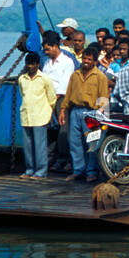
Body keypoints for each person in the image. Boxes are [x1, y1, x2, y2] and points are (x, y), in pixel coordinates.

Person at [58, 43, 111, 182]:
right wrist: (63, 110)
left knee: (92, 144)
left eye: (89, 59)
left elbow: (104, 97)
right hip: (75, 111)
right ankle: (78, 170)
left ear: (94, 61)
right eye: (84, 59)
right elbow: (68, 93)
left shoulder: (100, 76)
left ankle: (92, 172)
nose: (86, 62)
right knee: (75, 143)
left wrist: (100, 113)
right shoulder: (75, 75)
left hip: (92, 112)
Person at [39, 31, 76, 172]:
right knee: (50, 129)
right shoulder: (47, 63)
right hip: (47, 99)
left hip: (61, 99)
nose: (46, 52)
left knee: (63, 130)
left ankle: (64, 159)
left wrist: (58, 104)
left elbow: (64, 85)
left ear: (55, 46)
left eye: (48, 49)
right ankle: (50, 158)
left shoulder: (67, 62)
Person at [18, 51, 56, 179]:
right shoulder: (22, 79)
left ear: (38, 64)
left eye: (32, 64)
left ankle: (41, 171)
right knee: (28, 146)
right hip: (26, 115)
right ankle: (29, 169)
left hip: (40, 115)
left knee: (40, 146)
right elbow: (23, 94)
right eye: (28, 64)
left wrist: (49, 113)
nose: (30, 66)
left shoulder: (44, 79)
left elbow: (52, 98)